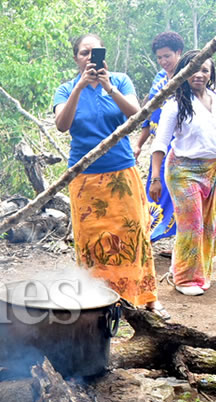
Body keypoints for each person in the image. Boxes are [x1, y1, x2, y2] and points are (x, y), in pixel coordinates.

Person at [53, 33, 166, 318]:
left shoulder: (120, 80)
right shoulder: (66, 90)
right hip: (84, 178)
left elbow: (139, 116)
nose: (90, 57)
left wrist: (109, 87)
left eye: (95, 51)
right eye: (83, 53)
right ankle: (98, 302)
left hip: (121, 173)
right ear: (76, 58)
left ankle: (147, 298)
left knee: (133, 235)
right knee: (92, 241)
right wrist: (79, 88)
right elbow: (62, 125)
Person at [150, 50, 216, 296]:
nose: (199, 74)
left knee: (209, 226)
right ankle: (183, 279)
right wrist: (155, 179)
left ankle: (201, 274)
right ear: (184, 73)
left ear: (211, 74)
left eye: (205, 70)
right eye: (194, 69)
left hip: (212, 170)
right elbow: (160, 144)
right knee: (192, 225)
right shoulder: (175, 103)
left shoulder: (214, 98)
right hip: (183, 171)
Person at [134, 31, 185, 242]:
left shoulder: (189, 80)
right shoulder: (159, 79)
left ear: (179, 53)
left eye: (167, 56)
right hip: (158, 150)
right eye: (159, 57)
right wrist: (138, 144)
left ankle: (154, 241)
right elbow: (149, 115)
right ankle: (147, 239)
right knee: (154, 196)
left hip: (181, 151)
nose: (163, 61)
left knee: (179, 200)